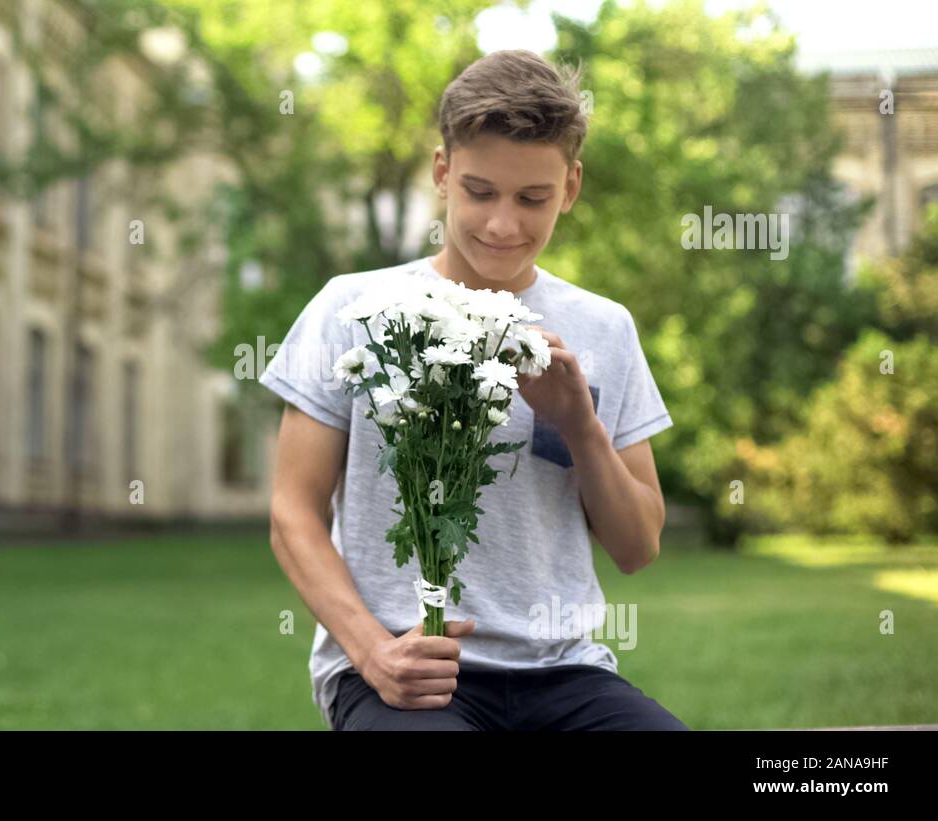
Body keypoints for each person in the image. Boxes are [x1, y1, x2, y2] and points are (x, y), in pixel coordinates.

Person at [258, 49, 688, 731]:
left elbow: (637, 547)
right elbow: (292, 512)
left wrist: (580, 426)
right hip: (405, 668)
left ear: (571, 187)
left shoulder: (604, 329)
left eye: (533, 198)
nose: (501, 225)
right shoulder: (352, 307)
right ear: (442, 173)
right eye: (480, 192)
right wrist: (372, 654)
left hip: (564, 671)